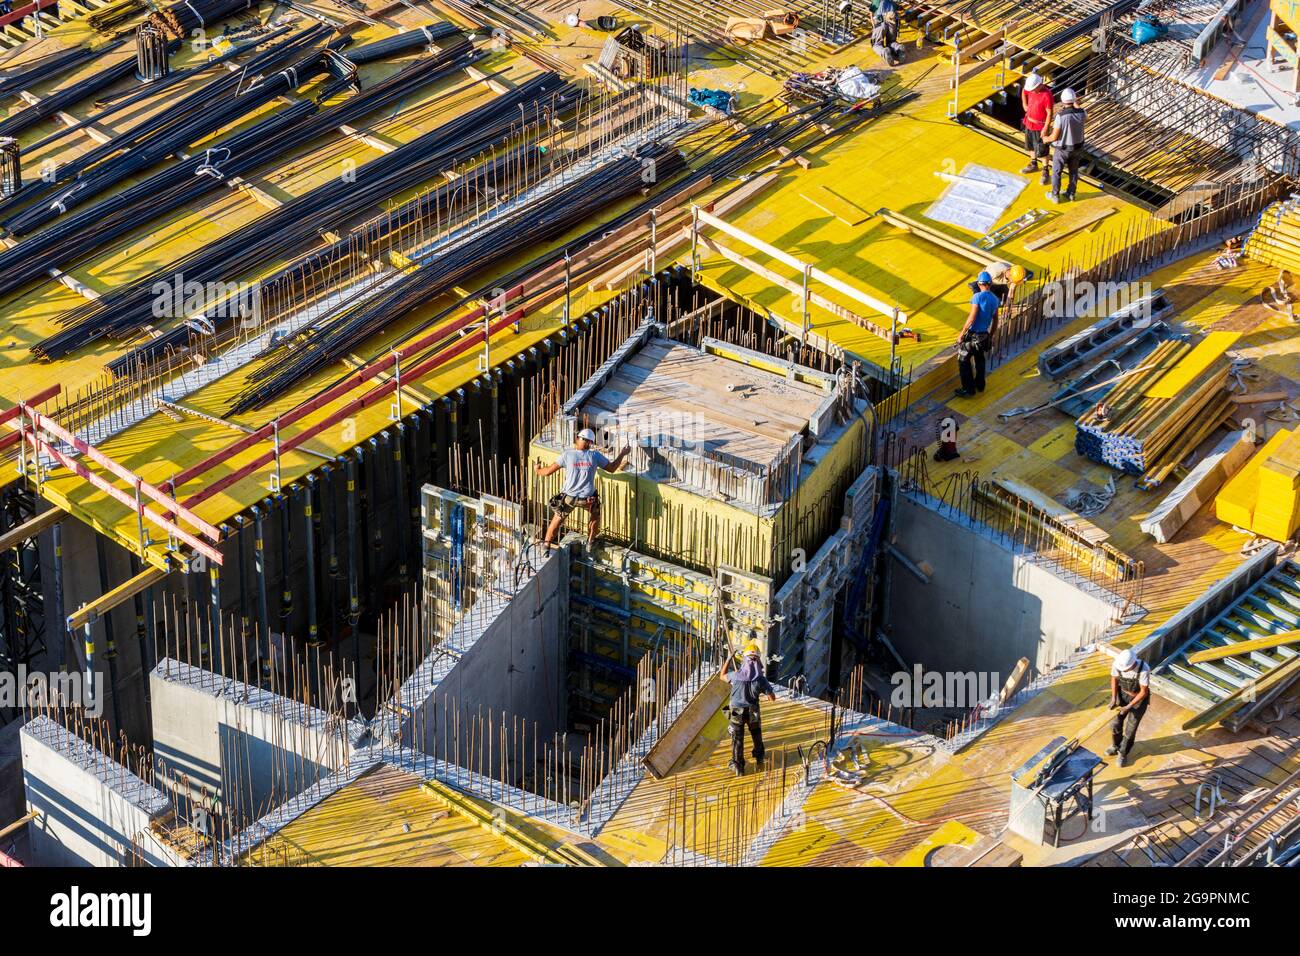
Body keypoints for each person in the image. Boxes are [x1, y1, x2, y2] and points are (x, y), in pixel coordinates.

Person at [535, 428, 630, 549]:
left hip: (569, 498)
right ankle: (590, 542)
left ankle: (546, 545)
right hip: (588, 499)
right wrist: (622, 453)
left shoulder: (567, 455)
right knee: (595, 517)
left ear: (578, 439)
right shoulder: (594, 455)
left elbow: (547, 472)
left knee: (557, 519)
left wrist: (537, 470)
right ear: (590, 443)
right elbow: (611, 468)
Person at [721, 641, 776, 776]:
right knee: (756, 732)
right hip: (752, 709)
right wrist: (759, 692)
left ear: (745, 660)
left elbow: (721, 676)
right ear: (758, 661)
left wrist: (729, 658)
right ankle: (759, 756)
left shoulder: (735, 676)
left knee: (737, 738)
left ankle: (738, 766)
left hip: (736, 710)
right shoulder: (761, 680)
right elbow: (772, 698)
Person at [954, 270, 1000, 397]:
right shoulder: (995, 300)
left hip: (973, 336)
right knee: (979, 359)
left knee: (963, 360)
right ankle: (980, 385)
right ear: (990, 284)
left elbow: (972, 317)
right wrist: (991, 335)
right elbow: (996, 320)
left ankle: (968, 390)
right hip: (984, 336)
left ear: (979, 284)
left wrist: (961, 333)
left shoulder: (977, 297)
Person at [1042, 87, 1086, 203]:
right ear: (1074, 100)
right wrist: (1075, 104)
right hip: (1077, 147)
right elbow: (1081, 111)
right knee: (1073, 171)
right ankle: (1071, 193)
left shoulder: (1060, 116)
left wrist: (1046, 139)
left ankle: (1055, 195)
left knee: (1057, 172)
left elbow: (1055, 136)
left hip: (1063, 149)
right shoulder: (1082, 113)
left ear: (1062, 100)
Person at [1108, 649, 1150, 768]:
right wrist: (1114, 698)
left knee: (1130, 729)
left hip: (1138, 699)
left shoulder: (1143, 668)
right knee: (1115, 723)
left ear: (1132, 664)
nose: (1123, 670)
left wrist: (1129, 706)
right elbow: (1114, 680)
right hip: (1123, 695)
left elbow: (1143, 692)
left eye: (1125, 669)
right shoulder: (1117, 664)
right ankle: (1115, 746)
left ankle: (1123, 753)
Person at [1020, 72, 1053, 185]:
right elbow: (1024, 92)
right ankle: (1033, 163)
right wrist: (1024, 104)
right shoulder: (1030, 90)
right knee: (1030, 145)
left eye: (1034, 88)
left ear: (1040, 85)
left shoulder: (1047, 95)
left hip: (1040, 125)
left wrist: (1045, 128)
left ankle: (1045, 170)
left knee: (1042, 149)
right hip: (1029, 122)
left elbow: (1049, 113)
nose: (1032, 90)